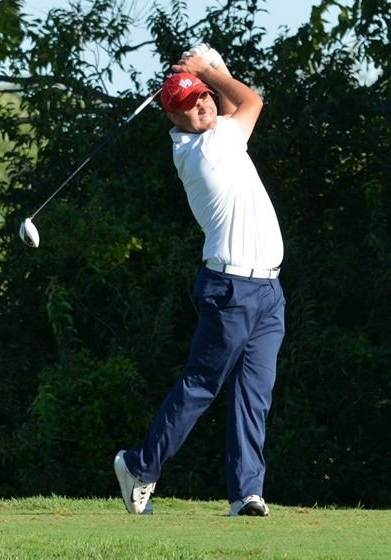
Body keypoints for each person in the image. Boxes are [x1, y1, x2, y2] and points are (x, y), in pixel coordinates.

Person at [114, 44, 286, 517]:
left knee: (255, 394)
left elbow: (232, 108)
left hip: (268, 292)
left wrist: (210, 74)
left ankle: (246, 493)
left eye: (204, 96)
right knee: (202, 385)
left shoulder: (218, 136)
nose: (203, 105)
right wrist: (211, 68)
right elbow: (251, 103)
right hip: (231, 290)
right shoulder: (207, 149)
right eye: (190, 104)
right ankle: (139, 466)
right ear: (174, 118)